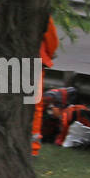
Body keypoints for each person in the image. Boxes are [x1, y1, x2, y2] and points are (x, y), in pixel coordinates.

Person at [31, 15, 59, 156]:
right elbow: (52, 40)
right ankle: (33, 147)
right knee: (34, 105)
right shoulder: (39, 8)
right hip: (34, 59)